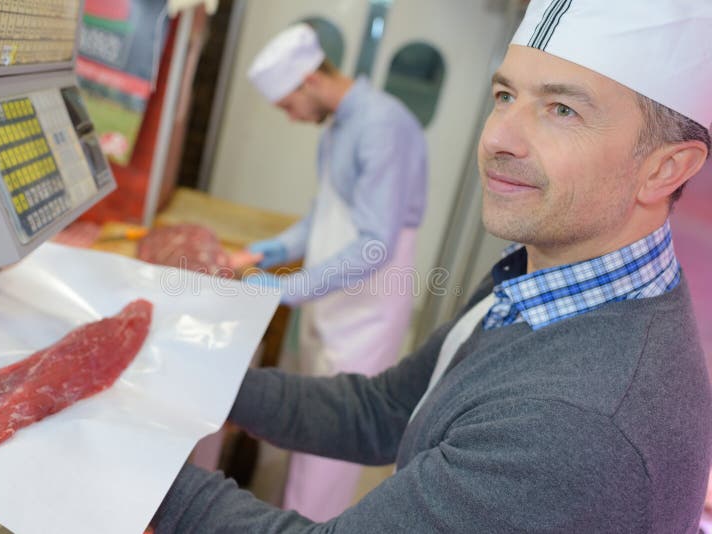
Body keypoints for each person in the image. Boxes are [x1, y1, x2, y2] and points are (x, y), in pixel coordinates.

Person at [151, 1, 712, 531]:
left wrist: (140, 473)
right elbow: (387, 410)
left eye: (562, 109)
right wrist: (196, 376)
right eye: (503, 95)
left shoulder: (583, 426)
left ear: (666, 169)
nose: (497, 138)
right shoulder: (535, 281)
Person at [242, 24, 428, 520]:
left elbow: (374, 246)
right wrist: (277, 248)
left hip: (365, 310)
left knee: (330, 445)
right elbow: (324, 212)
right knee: (309, 428)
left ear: (308, 80)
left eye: (286, 105)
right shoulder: (339, 126)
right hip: (331, 299)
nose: (289, 117)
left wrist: (290, 288)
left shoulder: (382, 126)